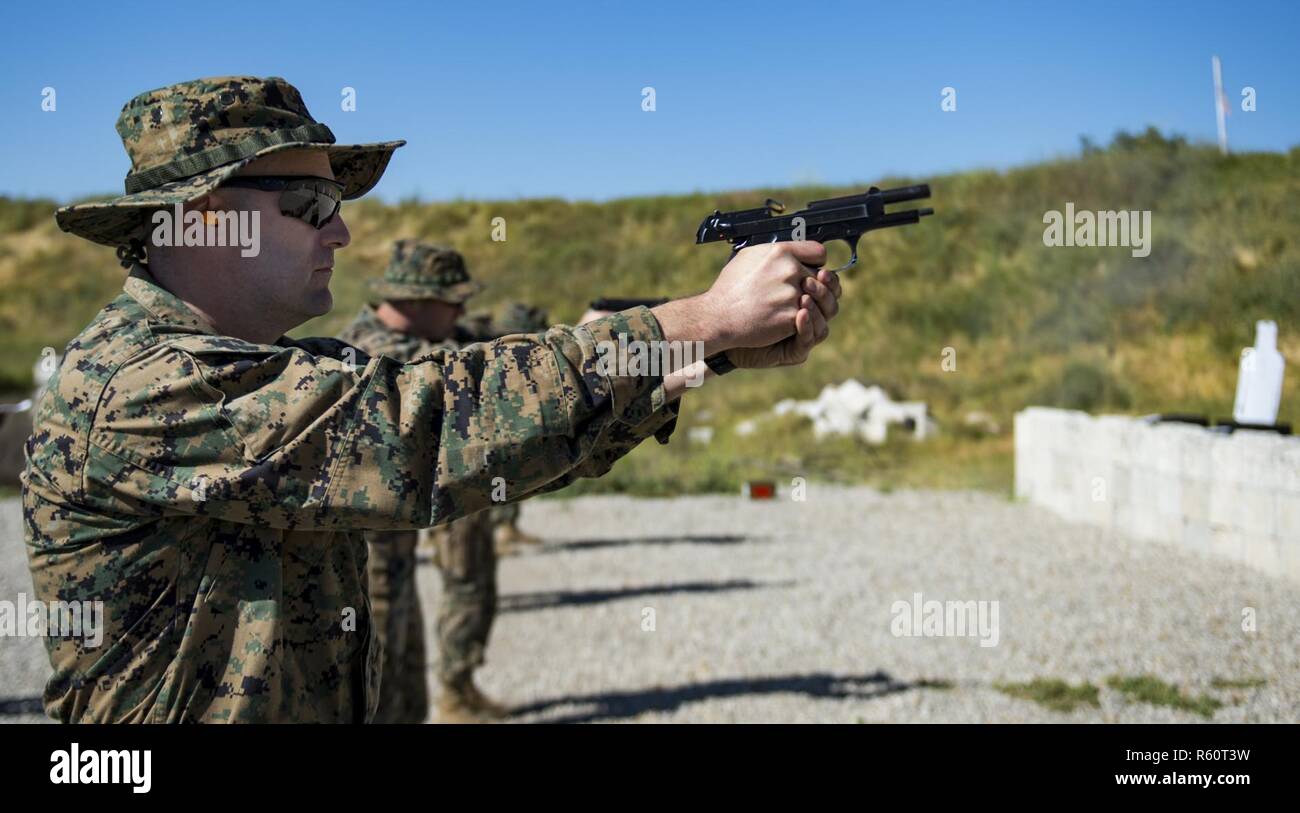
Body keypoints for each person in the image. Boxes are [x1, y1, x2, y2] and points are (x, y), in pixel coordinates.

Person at [23, 74, 842, 723]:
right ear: (202, 219)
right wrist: (701, 318)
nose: (339, 233)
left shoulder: (265, 369)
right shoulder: (135, 385)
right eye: (310, 206)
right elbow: (428, 428)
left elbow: (497, 444)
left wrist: (713, 347)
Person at [337, 241, 500, 723]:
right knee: (376, 673)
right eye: (453, 301)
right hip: (363, 551)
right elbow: (456, 375)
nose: (462, 311)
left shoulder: (411, 345)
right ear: (413, 301)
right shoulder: (370, 348)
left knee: (404, 667)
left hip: (389, 545)